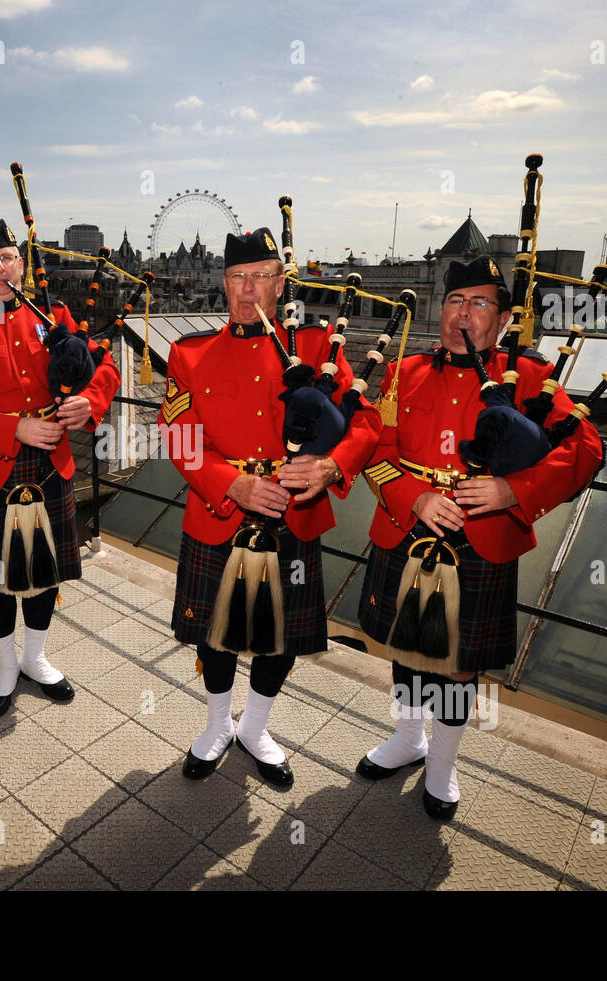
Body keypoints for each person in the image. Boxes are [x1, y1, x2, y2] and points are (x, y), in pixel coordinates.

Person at [355, 256, 604, 819]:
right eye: (454, 302)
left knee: (460, 662)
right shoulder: (404, 371)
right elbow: (377, 452)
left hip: (481, 539)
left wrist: (515, 491)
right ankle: (408, 737)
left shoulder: (531, 379)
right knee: (405, 643)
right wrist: (415, 497)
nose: (462, 315)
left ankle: (442, 762)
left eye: (479, 304)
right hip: (408, 529)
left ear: (505, 318)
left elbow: (587, 449)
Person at [159, 229, 380, 787]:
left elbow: (365, 423)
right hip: (219, 517)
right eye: (238, 277)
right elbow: (180, 439)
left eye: (261, 276)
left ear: (281, 286)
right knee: (215, 636)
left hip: (294, 521)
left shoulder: (315, 349)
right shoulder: (190, 353)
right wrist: (231, 484)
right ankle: (216, 727)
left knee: (279, 637)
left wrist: (331, 466)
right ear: (223, 282)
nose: (248, 288)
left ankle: (255, 729)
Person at [0, 220, 121, 717]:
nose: (0, 268)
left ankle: (34, 658)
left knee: (44, 571)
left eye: (8, 258)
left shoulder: (53, 315)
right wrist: (13, 429)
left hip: (51, 464)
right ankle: (4, 665)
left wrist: (87, 402)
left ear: (22, 265)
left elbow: (104, 367)